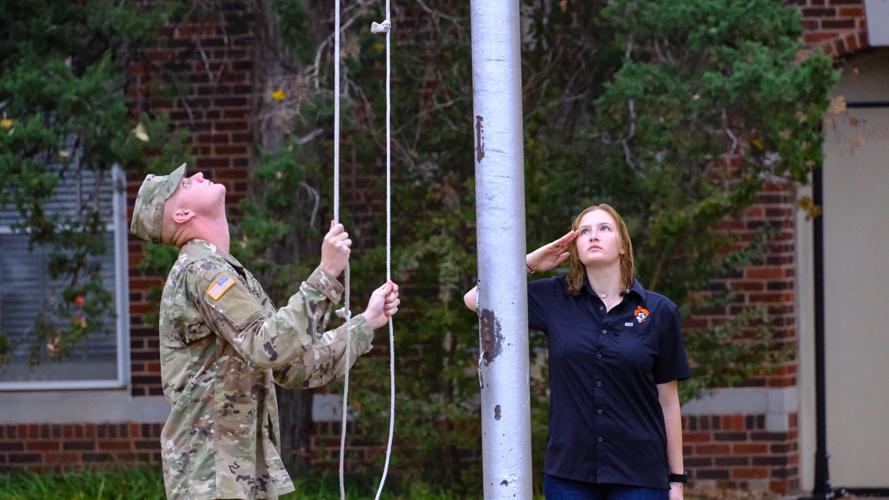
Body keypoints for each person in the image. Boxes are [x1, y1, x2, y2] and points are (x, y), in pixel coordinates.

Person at [130, 163, 400, 499]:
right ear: (182, 214)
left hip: (234, 477)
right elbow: (267, 345)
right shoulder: (203, 272)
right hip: (211, 479)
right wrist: (326, 274)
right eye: (186, 183)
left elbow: (293, 365)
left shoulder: (222, 272)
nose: (199, 176)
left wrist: (365, 323)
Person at [464, 204, 690, 500]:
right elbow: (475, 299)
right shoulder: (555, 299)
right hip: (569, 475)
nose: (593, 236)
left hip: (639, 475)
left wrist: (676, 481)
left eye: (604, 229)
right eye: (584, 231)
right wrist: (529, 262)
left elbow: (668, 402)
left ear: (623, 245)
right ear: (576, 248)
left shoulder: (659, 311)